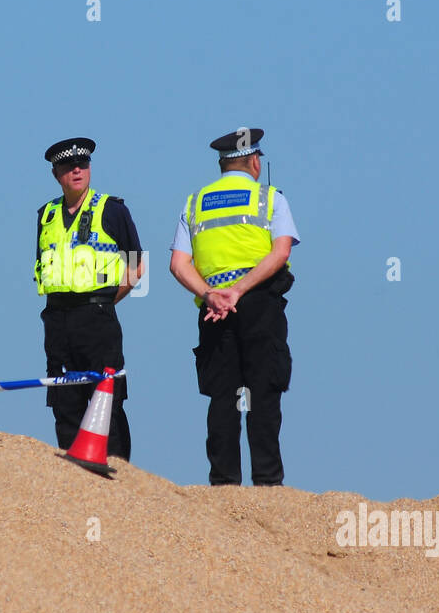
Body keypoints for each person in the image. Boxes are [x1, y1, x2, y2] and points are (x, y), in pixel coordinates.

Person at [168, 128, 299, 486]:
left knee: (222, 396)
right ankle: (267, 482)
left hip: (213, 309)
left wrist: (213, 294)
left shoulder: (194, 202)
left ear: (223, 164)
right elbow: (281, 251)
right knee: (262, 390)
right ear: (255, 162)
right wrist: (239, 290)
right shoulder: (270, 198)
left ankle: (223, 484)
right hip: (257, 303)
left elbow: (179, 265)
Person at [35, 137, 143, 460]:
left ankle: (116, 474)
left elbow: (137, 266)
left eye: (82, 164)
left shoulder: (112, 210)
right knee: (65, 403)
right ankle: (73, 478)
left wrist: (106, 302)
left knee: (106, 402)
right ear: (57, 174)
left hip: (97, 318)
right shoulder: (45, 215)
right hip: (56, 320)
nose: (77, 170)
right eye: (68, 166)